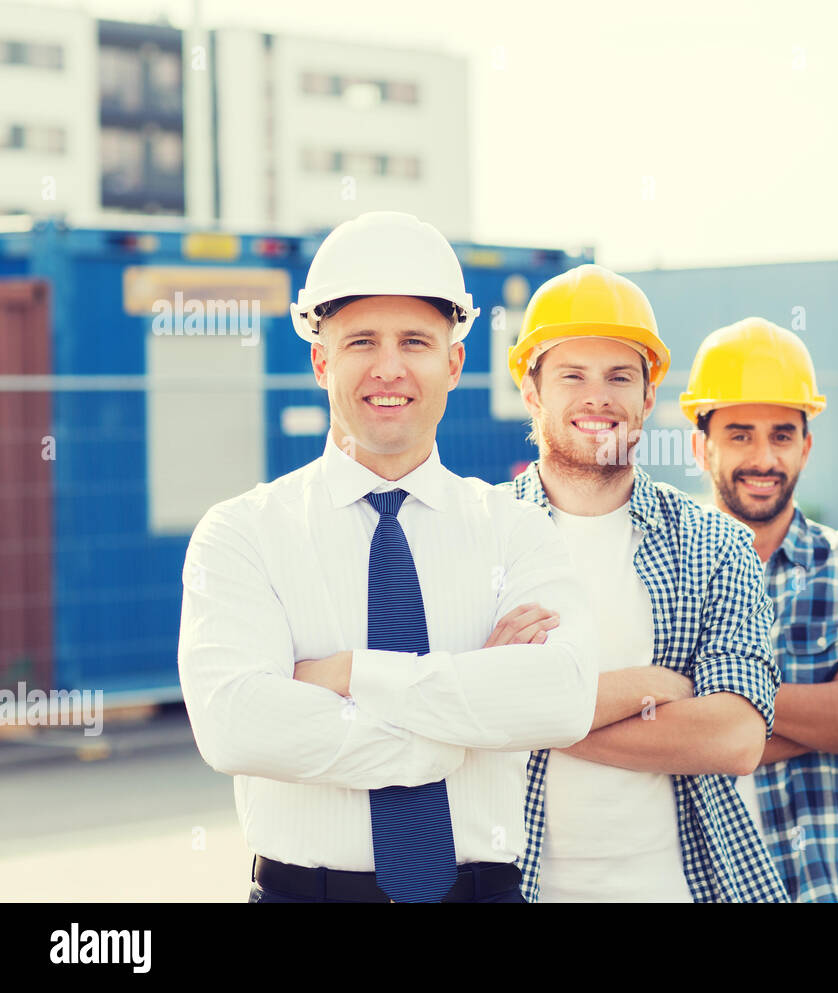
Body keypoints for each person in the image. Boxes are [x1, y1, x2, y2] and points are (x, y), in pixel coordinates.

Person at [177, 211, 598, 904]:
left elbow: (561, 697)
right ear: (321, 361)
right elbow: (236, 721)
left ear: (454, 362)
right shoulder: (242, 533)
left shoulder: (517, 531)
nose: (389, 367)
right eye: (361, 341)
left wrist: (346, 675)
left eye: (415, 341)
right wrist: (451, 728)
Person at [503, 264, 788, 903]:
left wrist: (529, 711)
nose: (597, 398)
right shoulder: (478, 538)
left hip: (680, 888)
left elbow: (737, 737)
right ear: (532, 390)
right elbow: (452, 713)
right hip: (513, 888)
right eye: (572, 375)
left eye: (619, 377)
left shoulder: (717, 545)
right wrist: (646, 689)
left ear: (648, 396)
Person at [683, 317, 838, 903]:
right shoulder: (665, 573)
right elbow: (650, 737)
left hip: (828, 886)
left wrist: (712, 708)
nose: (763, 458)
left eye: (782, 436)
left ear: (807, 446)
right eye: (740, 434)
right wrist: (829, 709)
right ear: (701, 446)